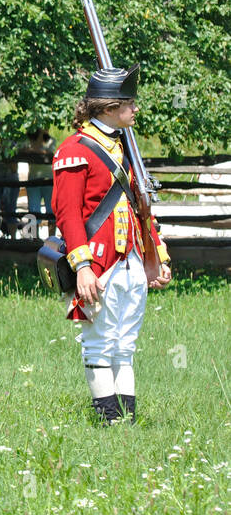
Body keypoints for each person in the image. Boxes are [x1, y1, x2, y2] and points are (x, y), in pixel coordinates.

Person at [51, 66, 172, 424]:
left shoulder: (125, 147)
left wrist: (158, 255)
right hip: (99, 262)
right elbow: (68, 215)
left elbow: (141, 207)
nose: (135, 109)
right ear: (108, 107)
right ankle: (108, 419)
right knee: (100, 342)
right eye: (129, 103)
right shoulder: (74, 149)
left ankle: (126, 421)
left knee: (125, 344)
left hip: (132, 258)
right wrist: (83, 267)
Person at [20, 128, 56, 237]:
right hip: (33, 179)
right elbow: (22, 151)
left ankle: (52, 237)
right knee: (33, 209)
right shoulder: (28, 140)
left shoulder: (51, 141)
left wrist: (32, 150)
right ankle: (34, 238)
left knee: (51, 209)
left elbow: (48, 153)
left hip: (48, 180)